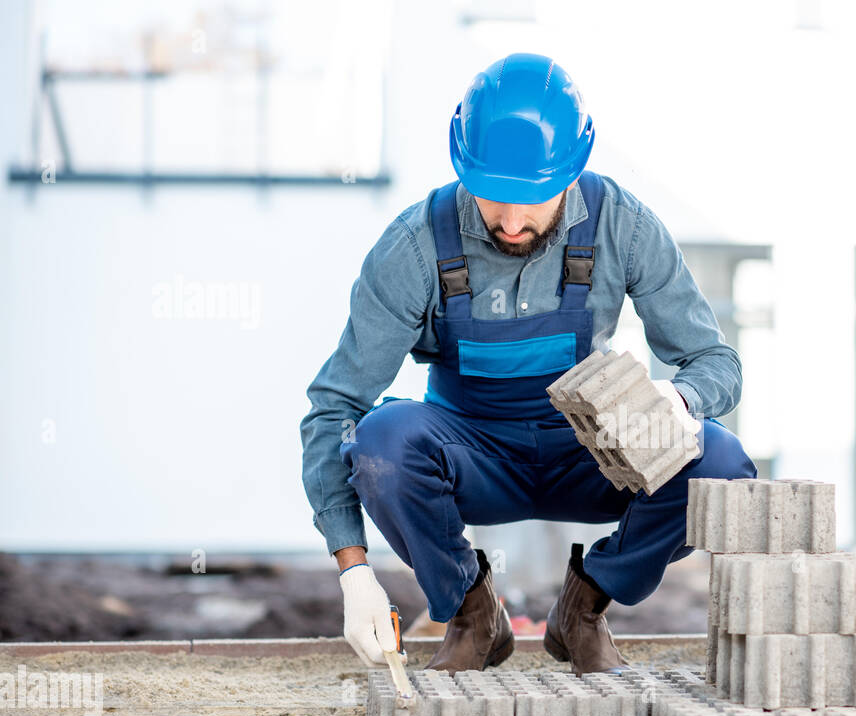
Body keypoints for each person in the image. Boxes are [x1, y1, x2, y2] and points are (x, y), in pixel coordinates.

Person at [300, 53, 756, 676]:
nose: (512, 223)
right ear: (462, 165)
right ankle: (471, 612)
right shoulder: (412, 248)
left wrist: (673, 406)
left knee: (721, 462)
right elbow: (336, 408)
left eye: (534, 200)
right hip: (473, 457)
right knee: (381, 441)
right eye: (492, 198)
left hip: (594, 457)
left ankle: (586, 604)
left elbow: (715, 361)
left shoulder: (623, 224)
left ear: (572, 171)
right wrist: (353, 572)